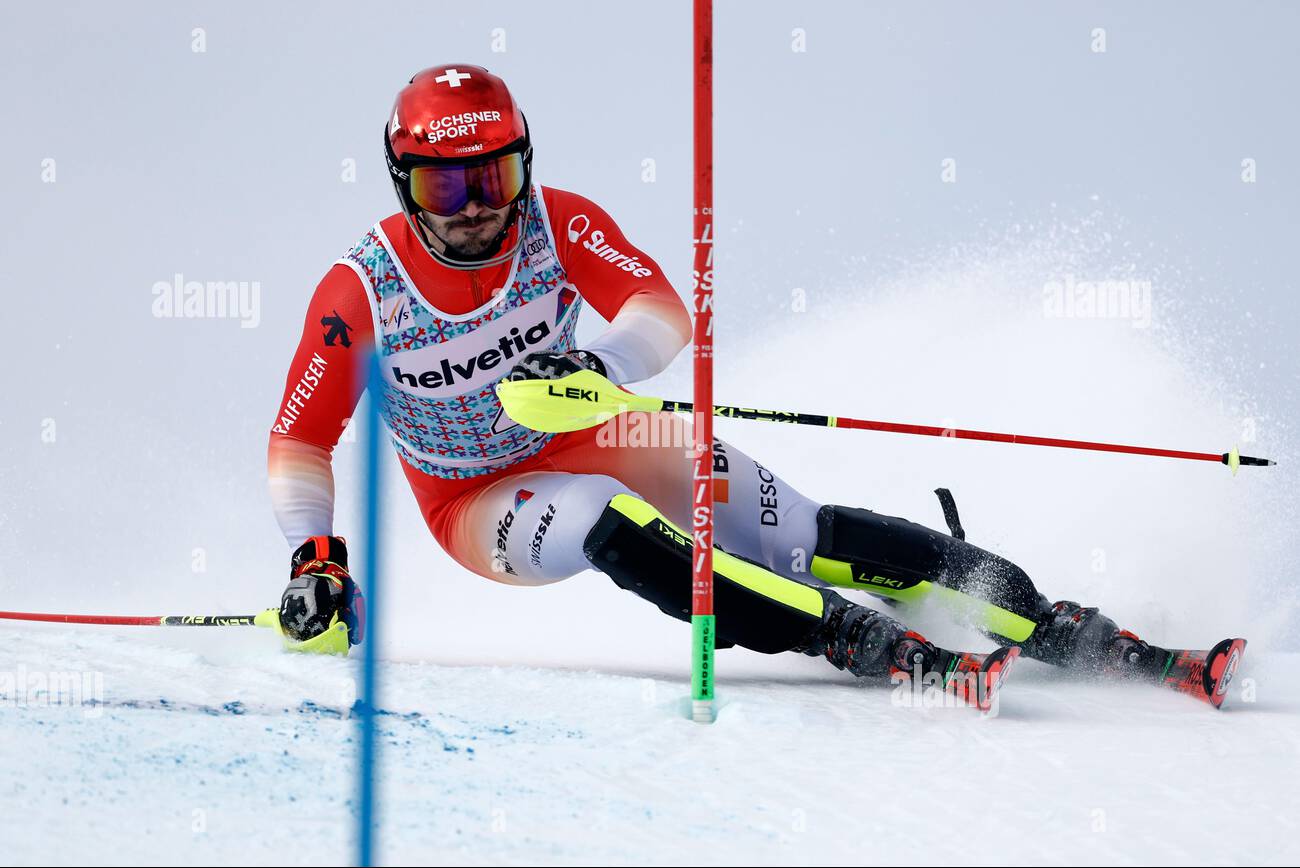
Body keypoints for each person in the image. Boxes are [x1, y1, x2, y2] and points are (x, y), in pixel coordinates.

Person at [268, 64, 1161, 703]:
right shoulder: (364, 289)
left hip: (593, 424)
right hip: (476, 497)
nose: (474, 209)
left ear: (525, 165)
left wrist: (600, 365)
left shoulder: (558, 222)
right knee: (605, 522)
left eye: (493, 176)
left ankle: (1056, 625)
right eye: (445, 185)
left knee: (795, 528)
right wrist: (316, 560)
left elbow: (662, 310)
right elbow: (300, 438)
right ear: (403, 183)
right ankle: (850, 638)